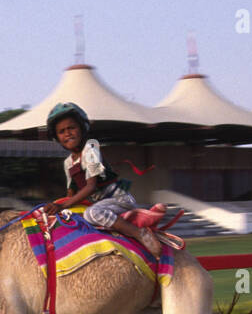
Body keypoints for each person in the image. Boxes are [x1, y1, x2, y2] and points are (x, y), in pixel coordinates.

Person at [43, 102, 163, 255]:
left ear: (82, 128)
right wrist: (54, 207)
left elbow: (91, 186)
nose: (67, 133)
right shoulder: (68, 163)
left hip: (118, 200)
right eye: (61, 131)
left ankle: (140, 234)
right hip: (102, 205)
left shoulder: (91, 149)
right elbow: (70, 196)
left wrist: (62, 206)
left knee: (91, 214)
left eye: (71, 128)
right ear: (57, 138)